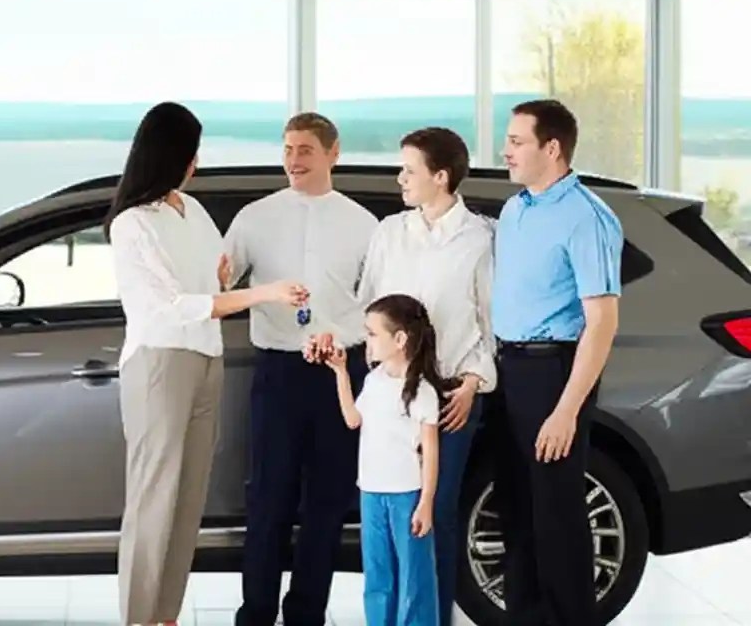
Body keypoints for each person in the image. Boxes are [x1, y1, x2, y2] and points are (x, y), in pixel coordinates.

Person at [106, 101, 310, 626]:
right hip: (160, 363)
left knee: (187, 497)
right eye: (190, 153)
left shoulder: (192, 211)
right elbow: (171, 305)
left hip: (206, 358)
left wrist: (225, 277)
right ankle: (138, 618)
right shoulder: (132, 224)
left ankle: (165, 615)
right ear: (169, 155)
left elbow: (213, 281)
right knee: (153, 499)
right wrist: (263, 293)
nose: (195, 164)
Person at [306, 126, 495, 624]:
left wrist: (473, 383)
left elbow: (490, 322)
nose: (400, 179)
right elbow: (363, 309)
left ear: (441, 176)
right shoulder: (390, 232)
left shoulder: (480, 239)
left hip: (449, 397)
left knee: (435, 516)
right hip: (388, 397)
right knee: (388, 527)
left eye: (409, 170)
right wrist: (329, 335)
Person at [225, 112, 378, 626]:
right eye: (288, 149)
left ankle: (307, 615)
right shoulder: (254, 218)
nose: (294, 160)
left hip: (341, 374)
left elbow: (378, 301)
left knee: (327, 504)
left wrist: (338, 334)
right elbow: (220, 285)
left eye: (306, 149)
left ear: (333, 153)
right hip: (277, 373)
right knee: (268, 499)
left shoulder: (363, 224)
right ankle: (256, 614)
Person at [491, 99, 622, 626]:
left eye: (516, 141)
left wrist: (566, 411)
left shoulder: (587, 217)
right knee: (516, 513)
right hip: (508, 369)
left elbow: (602, 322)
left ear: (552, 148)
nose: (505, 151)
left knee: (557, 519)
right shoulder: (514, 210)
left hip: (554, 373)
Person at [326, 293, 453, 626]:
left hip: (406, 495)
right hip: (371, 492)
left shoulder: (423, 392)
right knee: (377, 574)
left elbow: (431, 452)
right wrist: (340, 373)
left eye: (372, 333)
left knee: (414, 576)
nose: (366, 340)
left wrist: (426, 502)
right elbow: (353, 419)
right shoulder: (374, 380)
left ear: (399, 340)